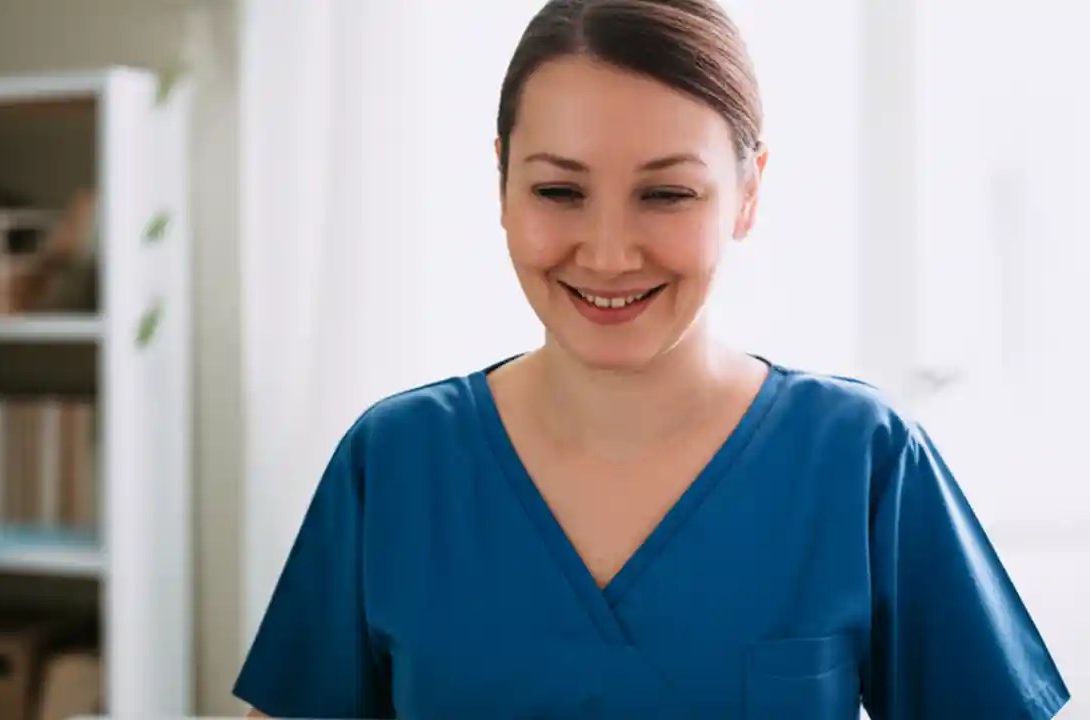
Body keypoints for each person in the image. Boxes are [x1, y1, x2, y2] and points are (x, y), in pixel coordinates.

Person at [234, 0, 1070, 717]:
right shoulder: (394, 463)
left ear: (748, 193)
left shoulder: (861, 459)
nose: (606, 255)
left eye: (666, 194)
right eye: (559, 191)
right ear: (501, 186)